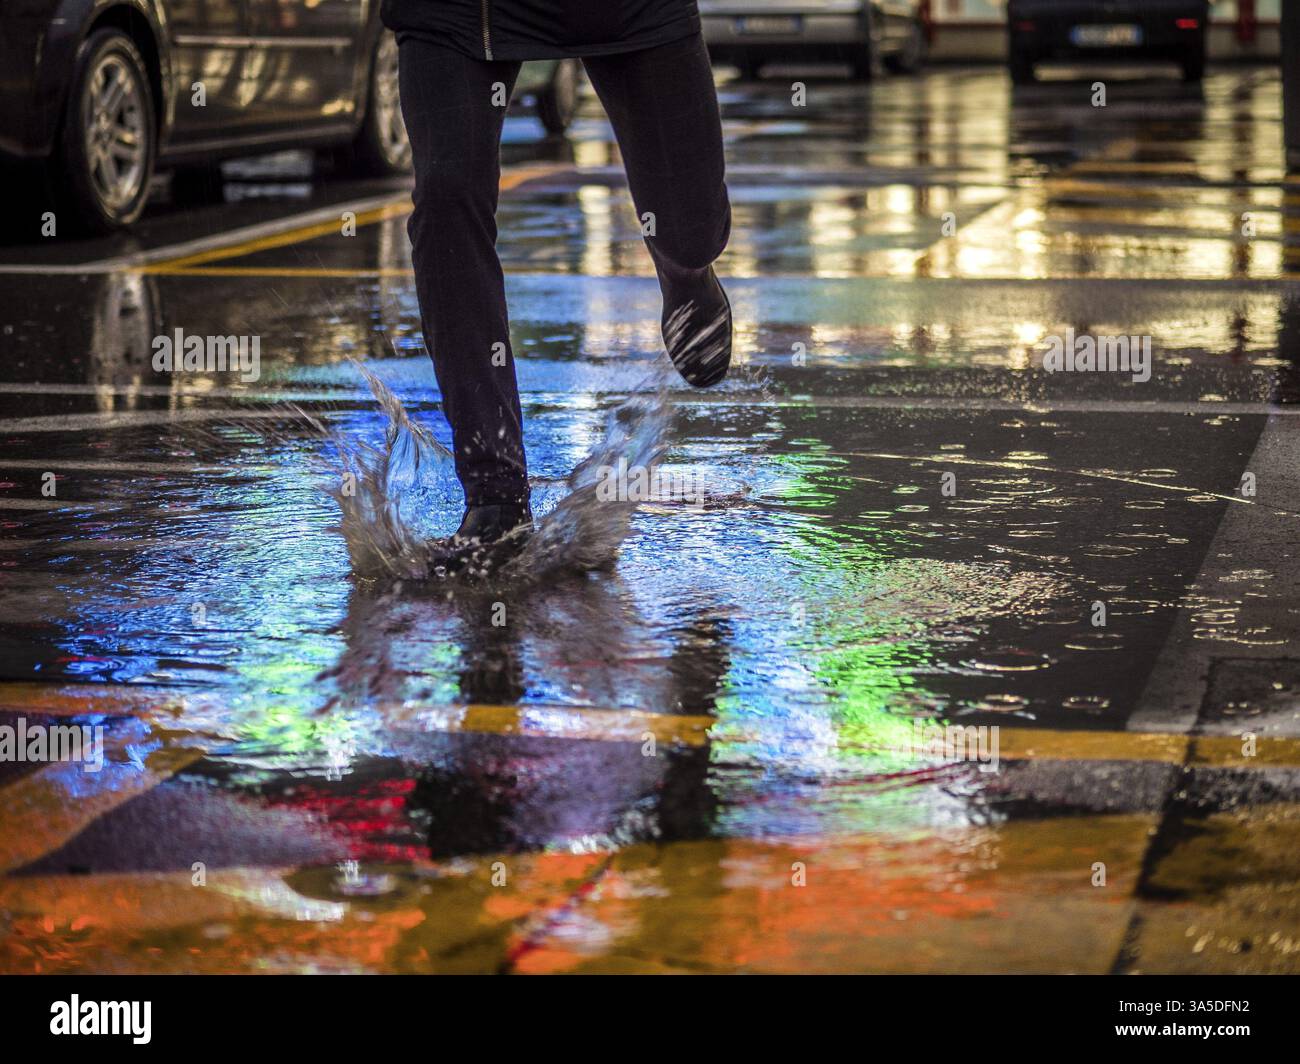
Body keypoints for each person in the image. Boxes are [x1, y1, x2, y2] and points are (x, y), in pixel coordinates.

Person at [380, 0, 733, 567]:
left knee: (689, 227)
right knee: (446, 200)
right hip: (458, 14)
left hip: (626, 11)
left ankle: (685, 270)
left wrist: (685, 265)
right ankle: (494, 497)